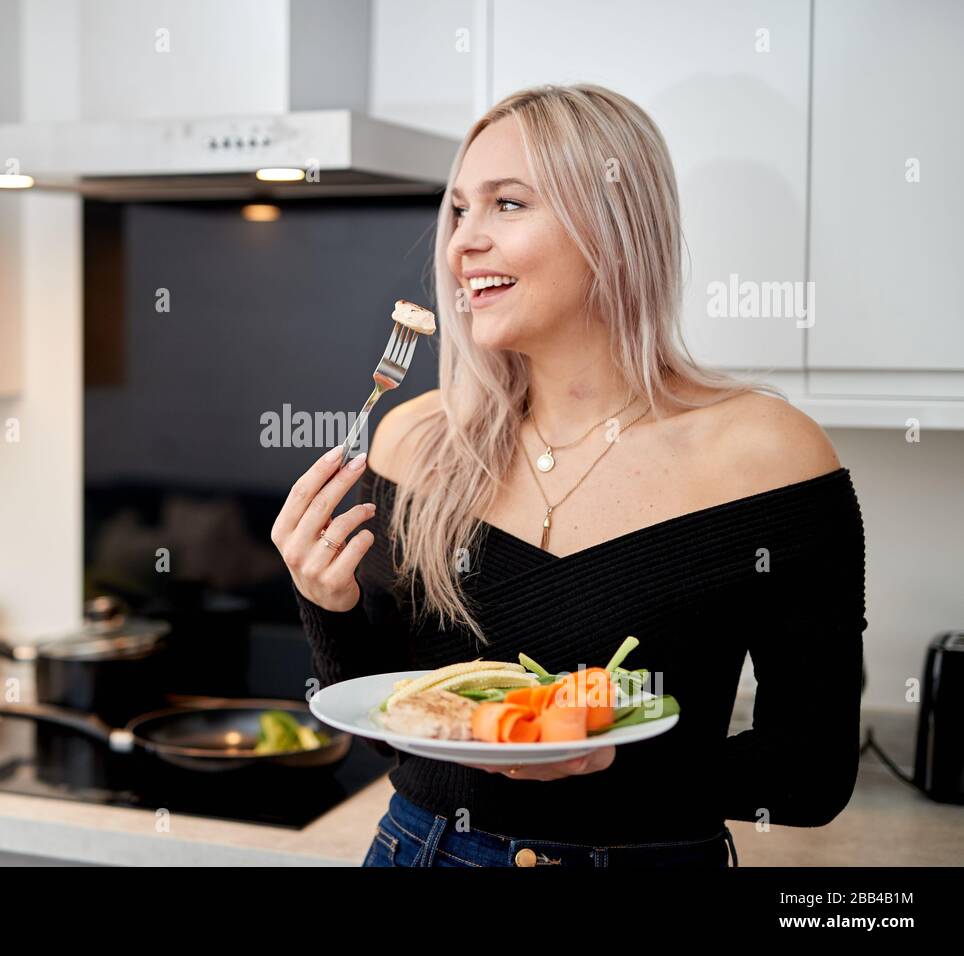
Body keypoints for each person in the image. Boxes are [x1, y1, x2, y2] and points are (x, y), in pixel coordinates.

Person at [270, 84, 867, 868]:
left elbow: (810, 776)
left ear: (613, 230)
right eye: (457, 211)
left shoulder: (766, 454)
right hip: (422, 851)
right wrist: (328, 603)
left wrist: (612, 761)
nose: (461, 244)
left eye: (507, 205)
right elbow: (392, 732)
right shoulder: (416, 438)